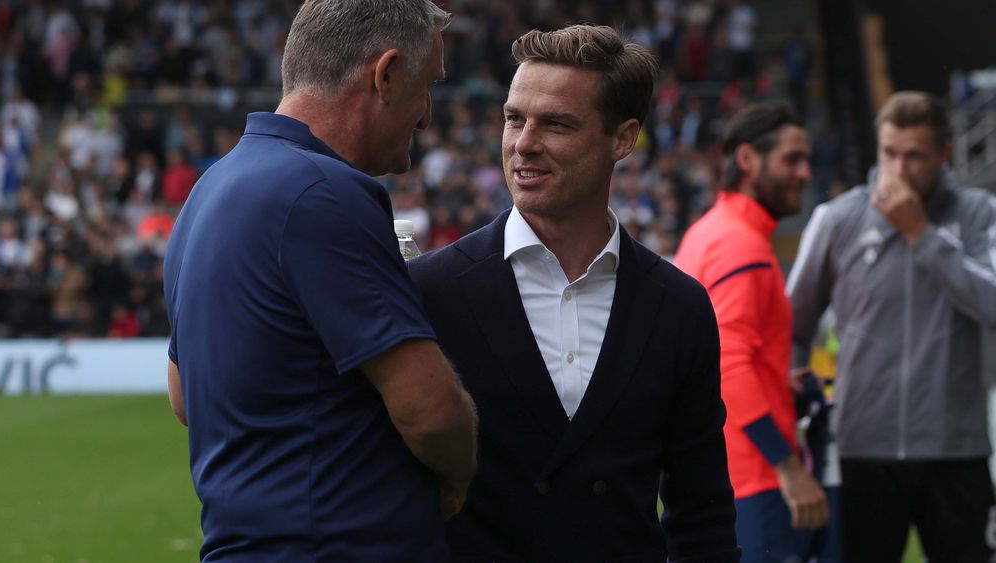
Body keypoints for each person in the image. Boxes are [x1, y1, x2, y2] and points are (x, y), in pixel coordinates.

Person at [408, 25, 739, 562]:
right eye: (514, 118)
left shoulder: (678, 306)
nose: (524, 143)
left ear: (623, 139)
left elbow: (702, 512)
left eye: (556, 124)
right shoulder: (432, 291)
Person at [162, 1, 477, 560]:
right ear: (384, 75)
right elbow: (432, 414)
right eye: (428, 85)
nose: (428, 114)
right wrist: (456, 476)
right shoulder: (323, 193)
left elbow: (185, 398)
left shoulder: (209, 192)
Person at [788, 90, 996, 562]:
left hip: (956, 450)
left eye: (915, 156)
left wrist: (922, 234)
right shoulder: (837, 218)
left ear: (944, 155)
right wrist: (794, 392)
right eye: (889, 154)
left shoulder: (980, 214)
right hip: (864, 449)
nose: (899, 170)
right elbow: (791, 324)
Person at [674, 102, 831, 563]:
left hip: (721, 475)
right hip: (754, 480)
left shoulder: (708, 232)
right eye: (790, 159)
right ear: (747, 160)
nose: (804, 173)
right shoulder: (740, 246)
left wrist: (777, 383)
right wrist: (789, 469)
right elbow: (729, 362)